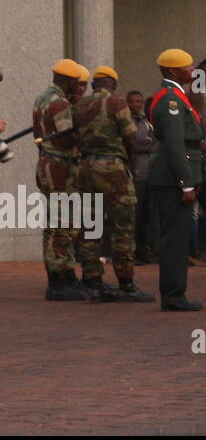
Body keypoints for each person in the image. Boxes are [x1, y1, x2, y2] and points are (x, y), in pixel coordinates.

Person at [73, 67, 154, 302]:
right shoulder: (116, 103)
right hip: (113, 169)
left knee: (91, 228)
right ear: (113, 84)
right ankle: (126, 284)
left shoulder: (80, 106)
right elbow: (130, 137)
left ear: (93, 85)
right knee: (123, 227)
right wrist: (125, 161)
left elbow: (76, 137)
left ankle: (93, 281)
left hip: (86, 169)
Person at [147, 49, 204, 311]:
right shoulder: (170, 99)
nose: (192, 71)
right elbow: (174, 144)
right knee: (175, 240)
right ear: (173, 72)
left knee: (177, 238)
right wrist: (186, 182)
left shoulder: (177, 96)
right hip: (173, 178)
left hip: (175, 175)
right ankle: (173, 295)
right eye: (187, 67)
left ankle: (175, 293)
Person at [34, 60, 90, 301]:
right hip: (60, 164)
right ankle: (61, 280)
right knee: (63, 224)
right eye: (76, 84)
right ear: (68, 81)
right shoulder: (59, 103)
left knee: (55, 224)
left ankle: (60, 276)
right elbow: (67, 138)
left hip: (47, 160)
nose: (78, 88)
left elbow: (39, 134)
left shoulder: (42, 98)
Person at [126, 90, 159, 263]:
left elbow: (155, 140)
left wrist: (148, 144)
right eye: (132, 101)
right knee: (136, 216)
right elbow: (133, 143)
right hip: (135, 174)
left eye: (139, 101)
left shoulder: (145, 121)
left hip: (149, 174)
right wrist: (148, 145)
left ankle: (144, 251)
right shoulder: (127, 120)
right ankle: (133, 252)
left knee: (148, 216)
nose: (136, 104)